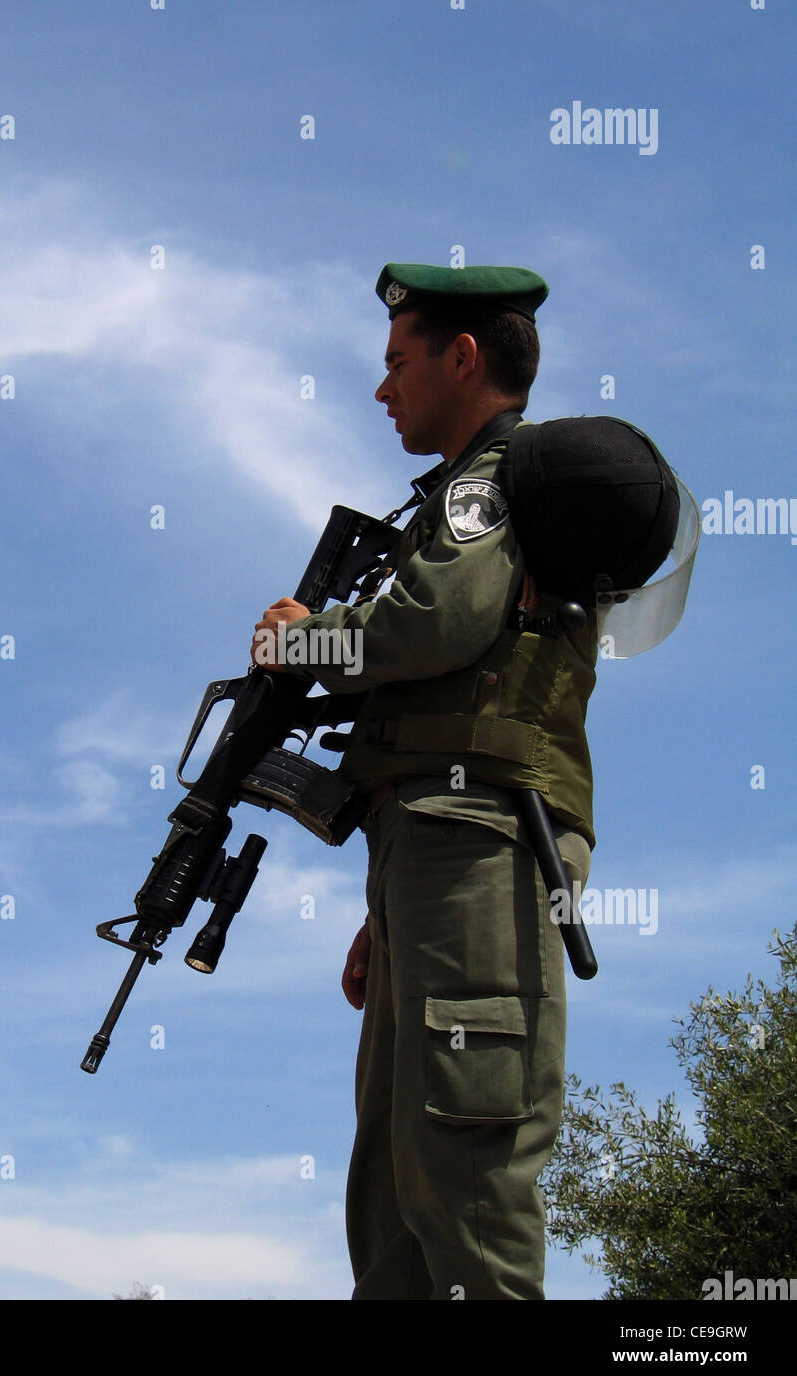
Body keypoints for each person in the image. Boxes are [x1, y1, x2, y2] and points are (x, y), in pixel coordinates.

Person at [251, 263, 597, 1300]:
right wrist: (397, 890)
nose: (381, 388)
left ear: (463, 358)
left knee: (465, 1189)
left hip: (482, 839)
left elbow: (436, 623)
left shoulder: (496, 481)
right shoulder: (459, 496)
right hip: (439, 847)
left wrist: (308, 646)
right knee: (396, 1200)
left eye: (397, 362)